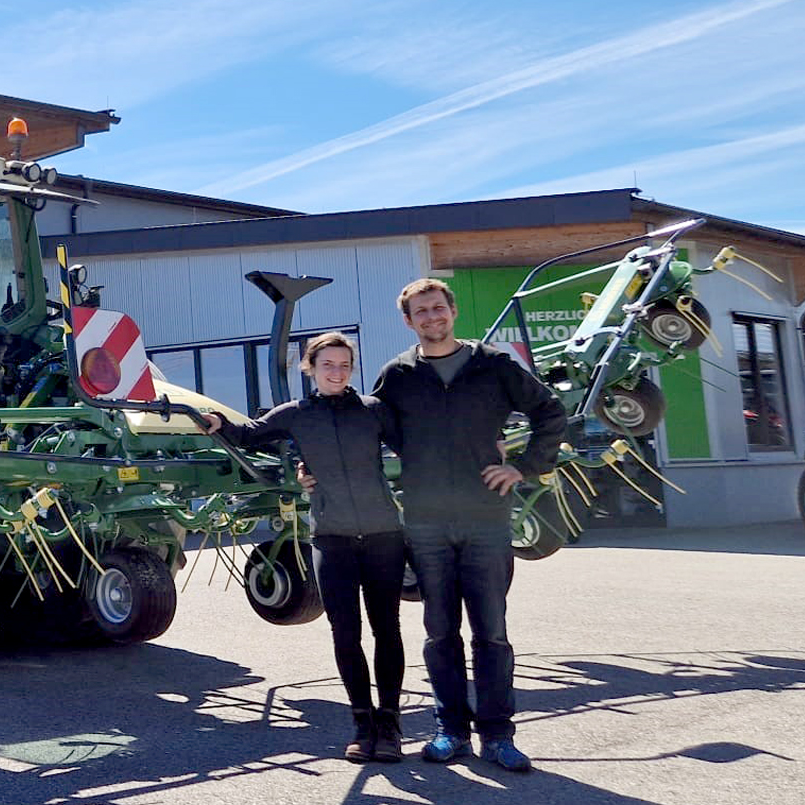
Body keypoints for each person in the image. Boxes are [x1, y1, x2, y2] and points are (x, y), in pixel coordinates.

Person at [373, 278, 566, 773]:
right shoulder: (397, 375)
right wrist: (314, 469)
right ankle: (450, 730)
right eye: (421, 312)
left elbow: (549, 411)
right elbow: (366, 429)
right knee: (440, 632)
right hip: (426, 521)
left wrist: (522, 466)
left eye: (438, 308)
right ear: (408, 321)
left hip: (485, 518)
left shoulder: (494, 365)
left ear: (453, 312)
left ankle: (498, 736)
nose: (432, 318)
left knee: (492, 632)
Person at [201, 331, 407, 763]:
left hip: (384, 534)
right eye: (328, 364)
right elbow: (249, 433)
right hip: (331, 538)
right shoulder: (296, 414)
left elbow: (419, 445)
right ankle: (361, 723)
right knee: (345, 634)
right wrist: (217, 422)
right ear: (310, 368)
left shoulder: (374, 412)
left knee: (387, 631)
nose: (337, 372)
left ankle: (389, 726)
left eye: (344, 365)